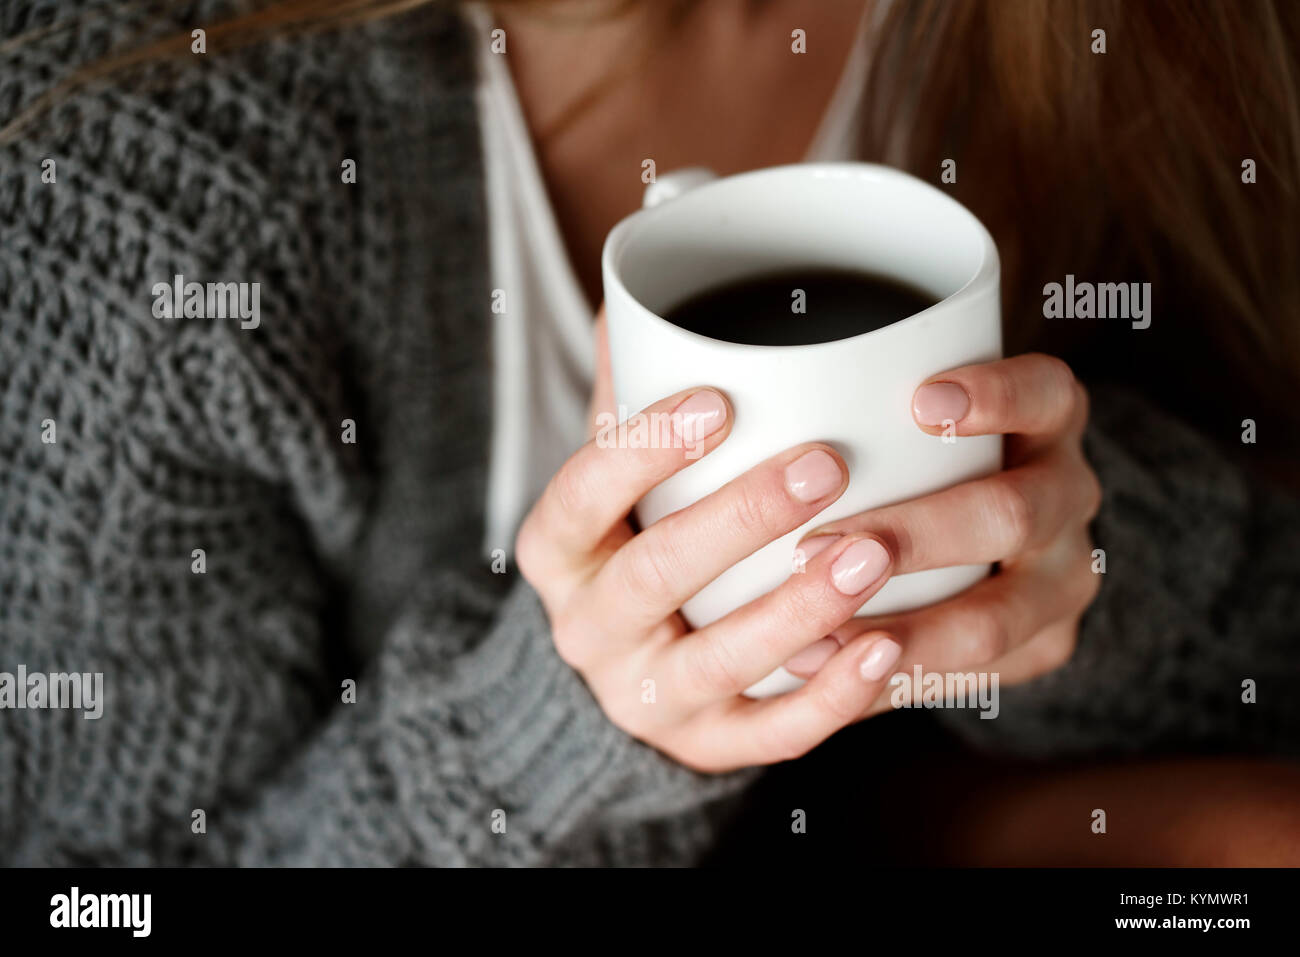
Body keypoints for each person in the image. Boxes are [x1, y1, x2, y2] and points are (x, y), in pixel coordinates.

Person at [0, 0, 1296, 866]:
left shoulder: (1117, 40)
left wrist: (1083, 562)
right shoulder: (154, 170)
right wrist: (555, 732)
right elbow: (110, 881)